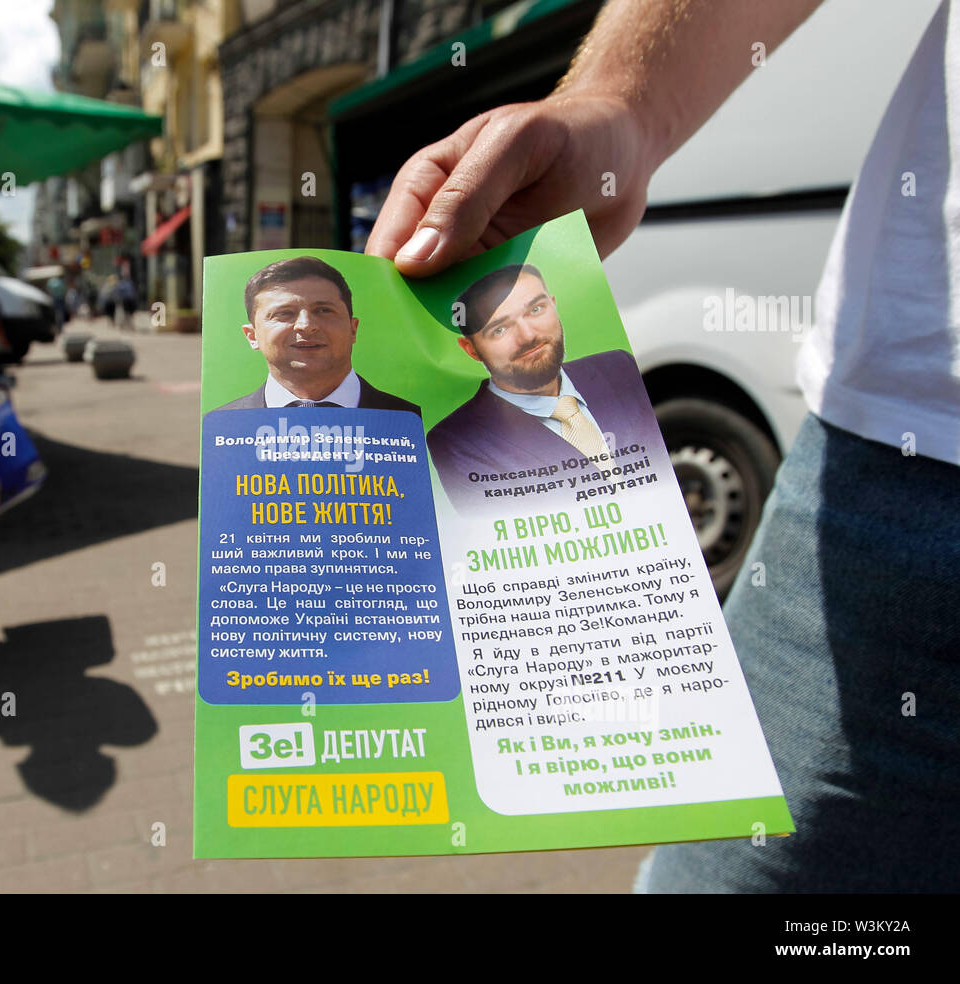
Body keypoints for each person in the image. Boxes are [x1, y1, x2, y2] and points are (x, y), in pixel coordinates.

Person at [368, 0, 960, 892]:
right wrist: (618, 104)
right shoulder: (470, 431)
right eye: (506, 321)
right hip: (904, 469)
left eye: (533, 311)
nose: (528, 331)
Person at [426, 262, 661, 514]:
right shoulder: (458, 441)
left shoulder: (618, 367)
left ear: (553, 304)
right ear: (471, 349)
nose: (528, 336)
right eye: (500, 329)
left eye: (536, 309)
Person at [217, 256, 420, 414]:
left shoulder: (413, 422)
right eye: (284, 313)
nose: (306, 326)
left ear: (353, 329)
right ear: (252, 336)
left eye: (323, 310)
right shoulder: (223, 428)